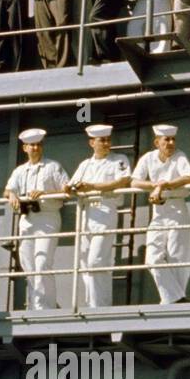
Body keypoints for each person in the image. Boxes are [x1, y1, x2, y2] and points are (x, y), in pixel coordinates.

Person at [3, 128, 69, 311]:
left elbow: (68, 191)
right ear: (25, 148)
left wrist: (46, 193)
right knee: (28, 264)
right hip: (27, 219)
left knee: (42, 262)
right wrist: (11, 195)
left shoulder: (53, 167)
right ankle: (36, 305)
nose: (36, 148)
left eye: (39, 144)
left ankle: (44, 307)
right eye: (32, 145)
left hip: (48, 218)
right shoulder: (20, 171)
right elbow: (8, 189)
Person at [67, 124, 132, 307]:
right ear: (91, 143)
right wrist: (68, 188)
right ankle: (95, 302)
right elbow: (72, 184)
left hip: (105, 209)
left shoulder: (119, 159)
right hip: (87, 213)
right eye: (102, 140)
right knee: (85, 262)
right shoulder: (85, 165)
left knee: (96, 261)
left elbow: (122, 181)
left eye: (108, 140)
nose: (106, 143)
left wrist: (93, 187)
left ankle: (98, 306)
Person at [131, 124, 190, 304]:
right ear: (157, 142)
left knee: (176, 256)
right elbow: (134, 182)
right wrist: (154, 185)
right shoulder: (148, 158)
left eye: (173, 139)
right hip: (158, 212)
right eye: (167, 140)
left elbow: (188, 177)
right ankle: (177, 299)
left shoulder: (180, 156)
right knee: (152, 258)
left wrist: (164, 185)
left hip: (177, 208)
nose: (171, 143)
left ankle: (171, 301)